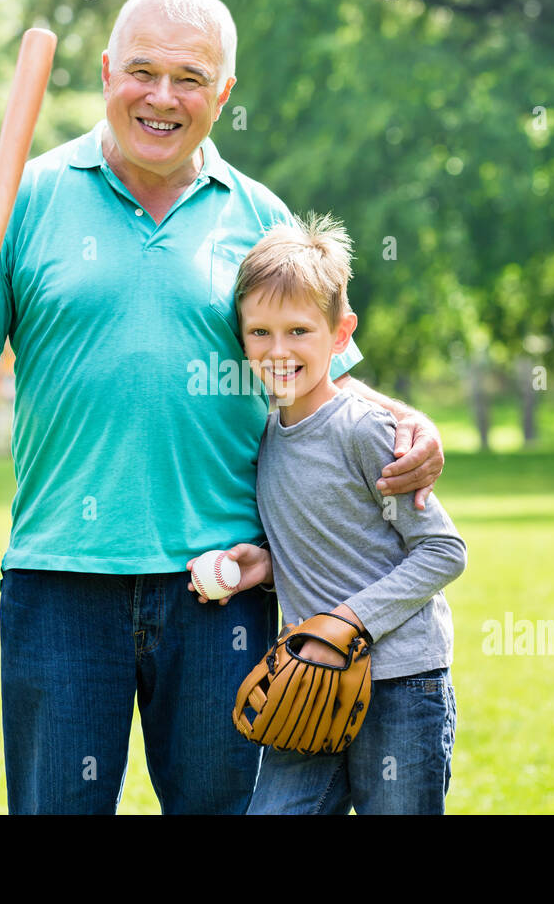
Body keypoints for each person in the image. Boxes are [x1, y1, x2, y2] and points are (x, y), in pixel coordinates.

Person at [0, 0, 447, 814]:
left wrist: (414, 425)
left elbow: (323, 375)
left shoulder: (260, 218)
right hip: (60, 575)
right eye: (142, 71)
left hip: (223, 583)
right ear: (105, 73)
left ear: (223, 93)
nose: (162, 97)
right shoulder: (26, 196)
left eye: (190, 78)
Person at [203, 212, 467, 814]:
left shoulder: (365, 428)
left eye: (299, 331)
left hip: (401, 682)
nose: (278, 350)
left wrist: (349, 623)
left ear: (341, 333)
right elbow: (339, 542)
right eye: (259, 333)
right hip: (309, 684)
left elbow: (444, 550)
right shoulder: (268, 437)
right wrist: (264, 567)